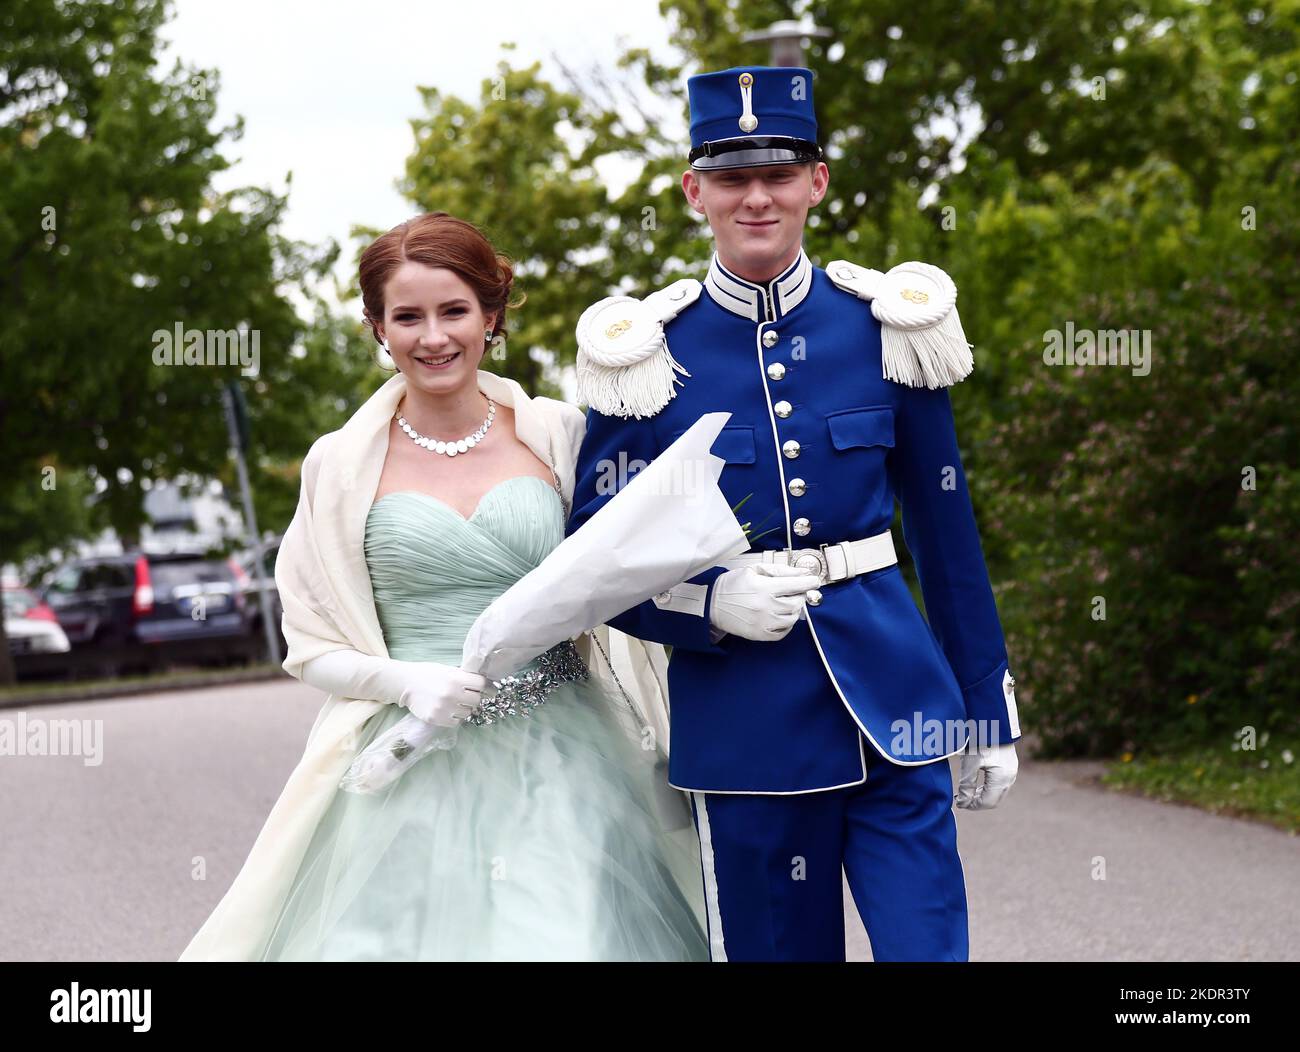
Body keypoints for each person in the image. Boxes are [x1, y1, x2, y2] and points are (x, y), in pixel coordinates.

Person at [569, 67, 1021, 962]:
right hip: (746, 736)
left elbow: (946, 536)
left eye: (779, 174)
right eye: (732, 178)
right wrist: (707, 601)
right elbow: (593, 561)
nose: (757, 197)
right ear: (694, 192)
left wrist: (986, 707)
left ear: (817, 181)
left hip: (899, 712)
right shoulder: (645, 359)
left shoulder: (888, 324)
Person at [179, 212, 707, 961]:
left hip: (566, 757)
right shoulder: (337, 466)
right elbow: (309, 646)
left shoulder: (557, 434)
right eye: (408, 316)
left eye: (454, 310)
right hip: (407, 755)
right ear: (378, 328)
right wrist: (404, 683)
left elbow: (625, 573)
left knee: (563, 937)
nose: (434, 336)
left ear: (491, 316)